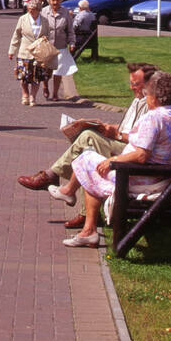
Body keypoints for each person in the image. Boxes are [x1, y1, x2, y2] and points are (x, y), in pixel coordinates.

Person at [52, 70, 171, 247]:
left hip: (140, 178)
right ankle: (85, 223)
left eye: (148, 94)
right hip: (161, 176)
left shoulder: (154, 118)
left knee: (88, 161)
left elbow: (141, 155)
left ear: (155, 97)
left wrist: (113, 161)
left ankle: (82, 217)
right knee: (92, 167)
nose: (146, 99)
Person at [17, 63, 157, 229]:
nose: (131, 87)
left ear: (149, 85)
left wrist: (115, 134)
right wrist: (106, 127)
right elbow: (128, 128)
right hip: (125, 146)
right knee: (88, 144)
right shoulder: (138, 100)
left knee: (88, 139)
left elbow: (140, 141)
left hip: (133, 154)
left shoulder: (150, 106)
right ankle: (85, 214)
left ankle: (53, 177)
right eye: (131, 82)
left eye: (135, 84)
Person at [8, 0, 53, 107]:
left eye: (32, 10)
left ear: (38, 9)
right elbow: (17, 35)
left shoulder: (44, 21)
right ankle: (25, 94)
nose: (30, 11)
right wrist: (12, 50)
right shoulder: (23, 19)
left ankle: (33, 96)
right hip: (24, 51)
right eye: (28, 9)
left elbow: (48, 34)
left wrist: (45, 39)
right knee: (23, 76)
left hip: (38, 52)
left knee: (36, 77)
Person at [40, 0, 76, 102]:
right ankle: (45, 86)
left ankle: (55, 94)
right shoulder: (43, 12)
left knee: (58, 71)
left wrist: (72, 42)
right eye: (53, 0)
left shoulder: (65, 12)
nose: (55, 2)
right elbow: (38, 29)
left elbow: (70, 30)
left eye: (57, 0)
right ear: (49, 1)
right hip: (47, 46)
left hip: (60, 46)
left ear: (61, 0)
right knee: (46, 71)